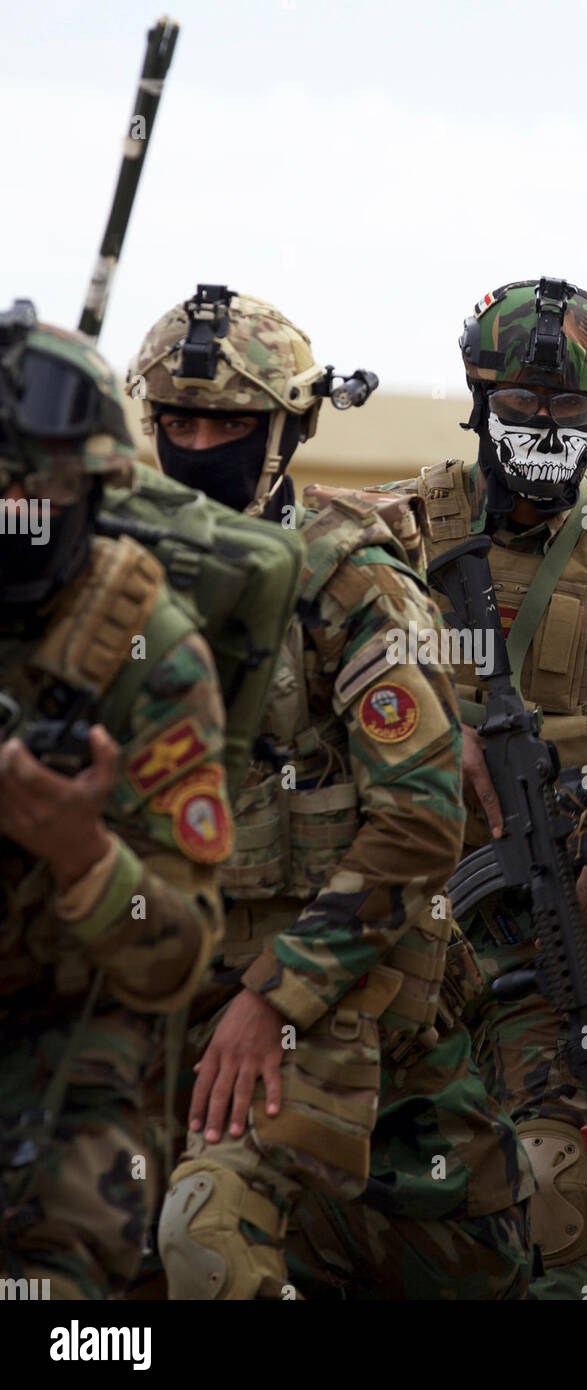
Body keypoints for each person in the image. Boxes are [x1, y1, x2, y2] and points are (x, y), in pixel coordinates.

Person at [127, 286, 535, 1300]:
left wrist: (276, 996)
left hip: (322, 998)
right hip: (155, 991)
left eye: (228, 423)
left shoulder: (347, 582)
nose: (199, 443)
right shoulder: (118, 581)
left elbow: (420, 817)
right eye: (178, 421)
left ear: (287, 429)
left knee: (206, 1238)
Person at [382, 276, 587, 1298]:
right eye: (520, 407)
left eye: (567, 411)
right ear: (478, 398)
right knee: (385, 1193)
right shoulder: (394, 526)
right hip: (397, 931)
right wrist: (432, 732)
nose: (542, 425)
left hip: (564, 934)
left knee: (557, 1193)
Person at [0, 303, 229, 1299]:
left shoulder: (149, 652)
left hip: (62, 1031)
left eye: (33, 483)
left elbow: (175, 947)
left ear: (90, 489)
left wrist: (83, 853)